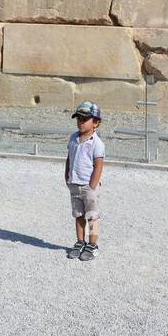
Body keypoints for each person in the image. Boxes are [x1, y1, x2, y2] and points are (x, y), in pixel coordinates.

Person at [65, 100, 105, 262]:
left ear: (96, 122)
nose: (80, 122)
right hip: (74, 184)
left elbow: (98, 166)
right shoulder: (73, 138)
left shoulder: (96, 143)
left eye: (85, 119)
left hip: (88, 187)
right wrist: (67, 176)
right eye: (78, 119)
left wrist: (92, 186)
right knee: (78, 215)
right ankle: (80, 242)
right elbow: (69, 158)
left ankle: (92, 245)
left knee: (92, 216)